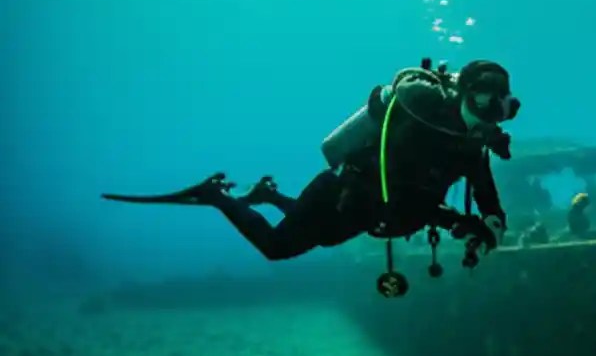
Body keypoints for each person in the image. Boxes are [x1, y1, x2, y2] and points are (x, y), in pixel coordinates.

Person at [103, 59, 520, 264]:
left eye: (502, 109)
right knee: (276, 248)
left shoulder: (469, 146)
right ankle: (215, 195)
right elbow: (401, 182)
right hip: (342, 194)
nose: (489, 117)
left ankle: (268, 195)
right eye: (483, 103)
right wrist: (453, 220)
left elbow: (486, 195)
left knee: (321, 235)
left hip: (362, 213)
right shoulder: (421, 114)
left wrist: (490, 228)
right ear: (463, 92)